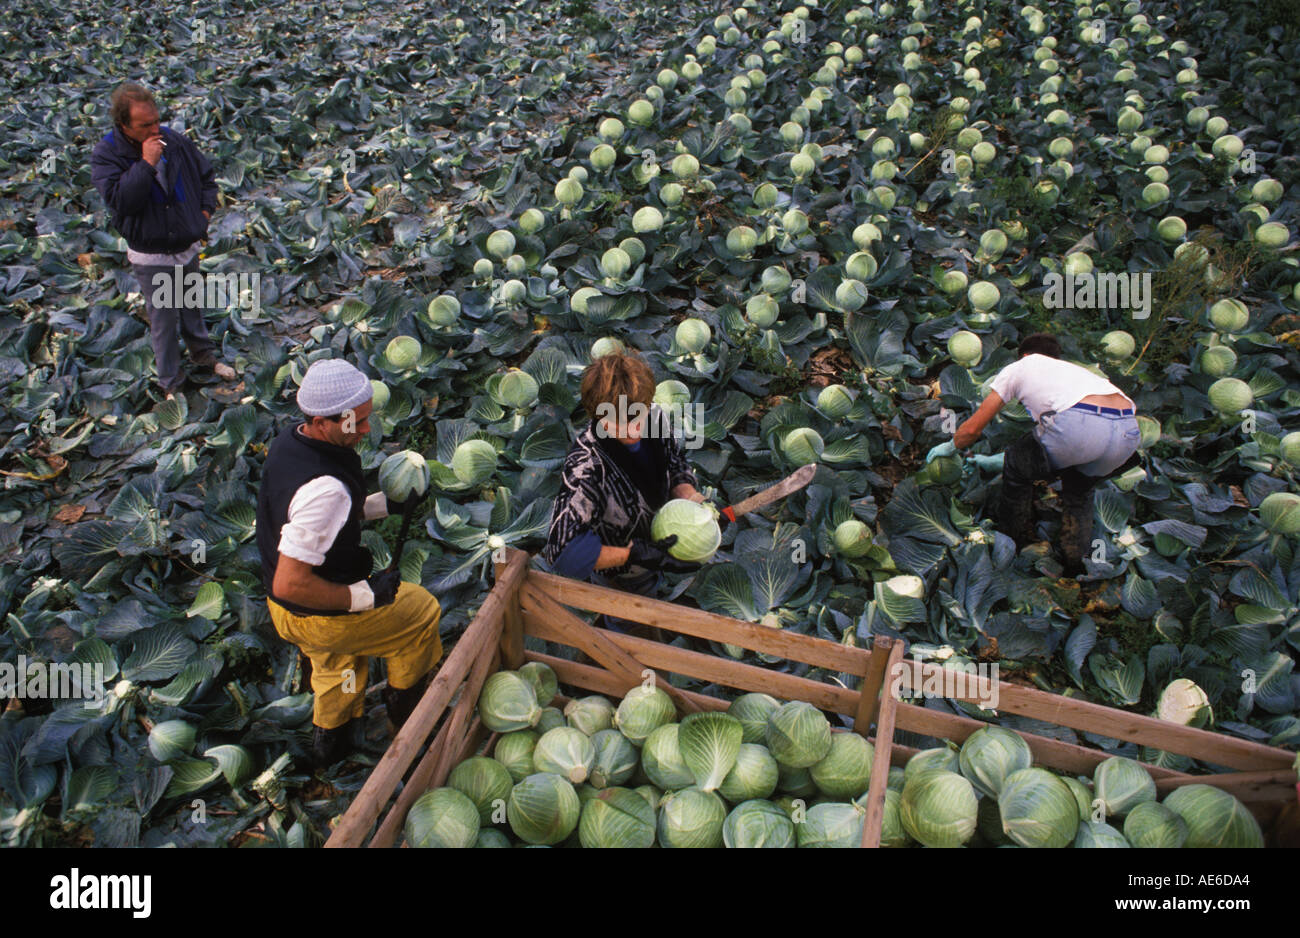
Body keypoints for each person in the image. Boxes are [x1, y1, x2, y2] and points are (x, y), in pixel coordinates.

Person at [255, 359, 443, 768]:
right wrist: (362, 596)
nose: (364, 430)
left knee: (337, 660)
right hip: (310, 609)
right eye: (354, 423)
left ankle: (332, 742)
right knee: (421, 612)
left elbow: (322, 518)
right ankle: (406, 711)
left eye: (365, 419)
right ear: (322, 421)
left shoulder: (293, 442)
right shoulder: (326, 489)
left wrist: (385, 505)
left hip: (285, 609)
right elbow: (293, 582)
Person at [930, 332, 1140, 574]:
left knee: (1018, 470)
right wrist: (992, 461)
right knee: (1079, 492)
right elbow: (1048, 451)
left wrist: (951, 446)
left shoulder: (1022, 366)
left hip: (1080, 424)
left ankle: (1009, 544)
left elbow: (975, 428)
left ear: (1025, 355)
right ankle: (1073, 563)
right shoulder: (1076, 374)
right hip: (1127, 431)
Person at [90, 82, 236, 400]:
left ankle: (204, 356)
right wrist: (146, 164)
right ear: (124, 125)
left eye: (156, 120)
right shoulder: (107, 154)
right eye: (145, 125)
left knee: (191, 304)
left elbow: (206, 177)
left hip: (185, 244)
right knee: (164, 318)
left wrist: (203, 215)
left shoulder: (173, 141)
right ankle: (170, 381)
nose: (155, 128)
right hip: (151, 253)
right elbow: (121, 201)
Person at [542, 351, 706, 631]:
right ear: (597, 415)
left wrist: (691, 497)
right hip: (622, 577)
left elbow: (675, 461)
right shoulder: (587, 467)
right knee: (630, 631)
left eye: (637, 416)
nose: (632, 429)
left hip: (663, 545)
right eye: (618, 421)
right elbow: (562, 552)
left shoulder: (655, 419)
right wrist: (632, 554)